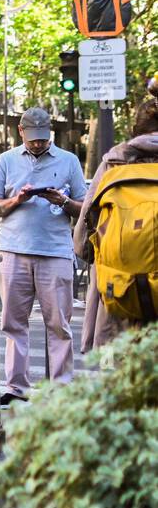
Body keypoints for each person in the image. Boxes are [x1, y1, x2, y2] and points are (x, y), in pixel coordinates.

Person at [0, 106, 87, 404]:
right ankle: (17, 388)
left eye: (43, 139)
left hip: (55, 251)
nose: (38, 144)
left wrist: (64, 200)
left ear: (50, 134)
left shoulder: (69, 161)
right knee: (13, 323)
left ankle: (61, 389)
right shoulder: (5, 161)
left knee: (59, 324)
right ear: (20, 132)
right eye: (33, 139)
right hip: (14, 251)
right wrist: (18, 198)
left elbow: (85, 208)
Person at [73, 80, 158, 351]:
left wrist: (89, 251)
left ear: (135, 129)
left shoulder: (114, 160)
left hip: (118, 288)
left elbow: (87, 224)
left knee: (119, 366)